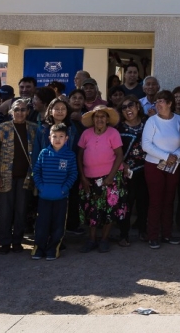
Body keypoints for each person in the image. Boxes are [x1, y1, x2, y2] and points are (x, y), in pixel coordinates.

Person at [77, 105, 126, 253]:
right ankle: (92, 239)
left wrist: (111, 177)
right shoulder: (86, 134)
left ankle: (104, 239)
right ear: (93, 119)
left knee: (109, 209)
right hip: (89, 178)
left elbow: (119, 155)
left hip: (110, 177)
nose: (100, 119)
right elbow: (79, 156)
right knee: (92, 209)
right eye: (97, 116)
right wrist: (83, 177)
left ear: (107, 119)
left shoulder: (113, 133)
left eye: (103, 116)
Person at [142, 90, 180, 248]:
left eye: (161, 101)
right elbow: (146, 145)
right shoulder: (151, 121)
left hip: (174, 166)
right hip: (154, 165)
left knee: (169, 200)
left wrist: (176, 155)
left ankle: (167, 234)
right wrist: (166, 156)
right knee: (156, 201)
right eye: (156, 102)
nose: (158, 105)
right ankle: (153, 235)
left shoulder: (179, 120)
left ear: (169, 103)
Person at [0, 99, 36, 254]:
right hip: (5, 175)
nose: (20, 113)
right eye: (17, 109)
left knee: (21, 210)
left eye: (23, 110)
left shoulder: (34, 129)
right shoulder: (2, 128)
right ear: (11, 111)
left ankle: (17, 241)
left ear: (28, 112)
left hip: (26, 177)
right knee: (4, 211)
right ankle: (4, 242)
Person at [32, 123, 78, 261]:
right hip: (44, 196)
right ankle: (39, 248)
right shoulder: (43, 153)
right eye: (55, 136)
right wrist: (41, 187)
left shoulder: (70, 155)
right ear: (49, 138)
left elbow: (73, 174)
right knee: (42, 224)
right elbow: (36, 172)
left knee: (58, 225)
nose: (57, 139)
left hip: (61, 197)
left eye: (61, 136)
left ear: (66, 138)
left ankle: (53, 249)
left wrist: (64, 189)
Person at [117, 96, 149, 246]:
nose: (128, 109)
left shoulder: (148, 123)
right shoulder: (119, 128)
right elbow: (113, 150)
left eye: (131, 105)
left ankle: (143, 230)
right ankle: (124, 234)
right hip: (126, 171)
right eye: (124, 107)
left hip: (146, 169)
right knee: (126, 202)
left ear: (138, 106)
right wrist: (122, 164)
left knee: (144, 201)